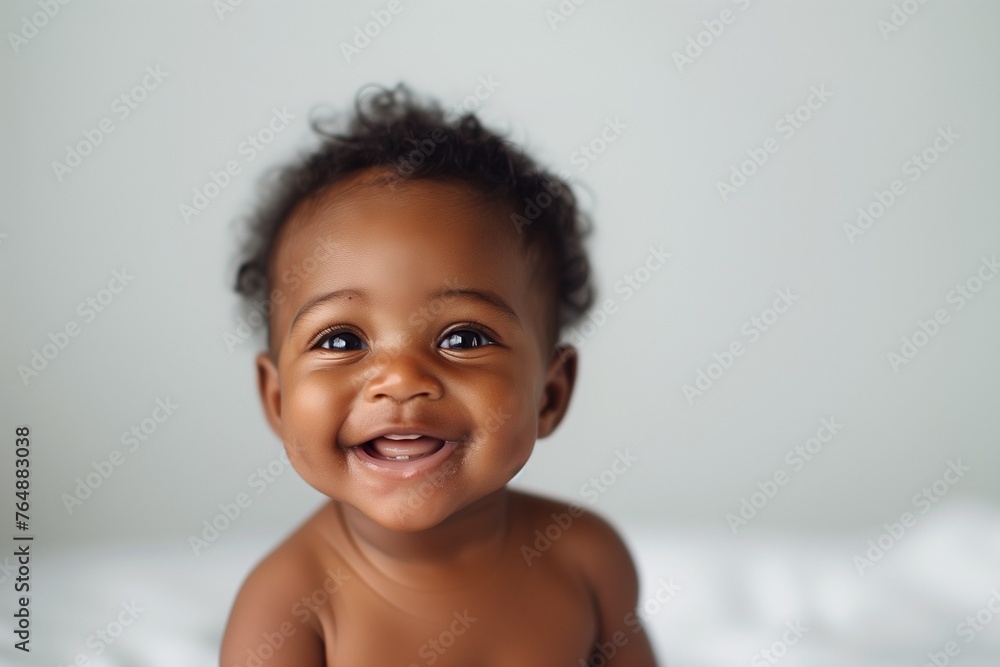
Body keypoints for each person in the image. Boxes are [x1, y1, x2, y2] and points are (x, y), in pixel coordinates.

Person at [220, 84, 658, 666]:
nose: (401, 379)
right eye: (342, 341)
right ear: (277, 400)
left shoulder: (586, 559)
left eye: (464, 338)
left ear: (550, 394)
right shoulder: (285, 609)